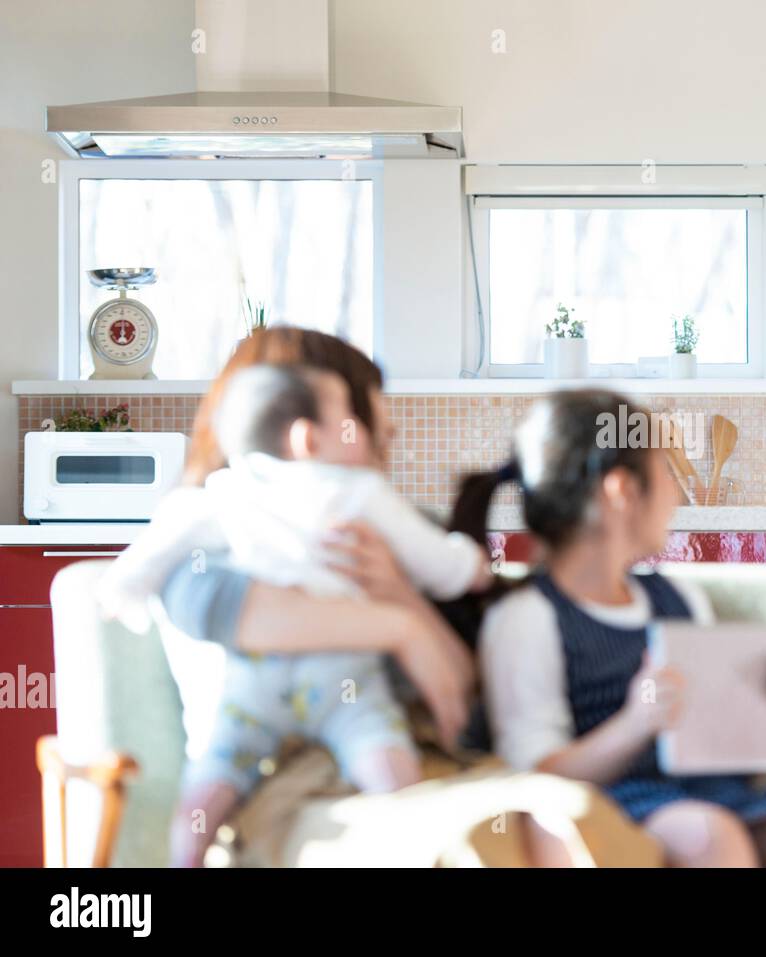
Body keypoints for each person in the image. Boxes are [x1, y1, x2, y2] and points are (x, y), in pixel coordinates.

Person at [460, 389, 766, 867]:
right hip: (620, 818)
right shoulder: (528, 617)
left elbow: (713, 752)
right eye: (664, 471)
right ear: (621, 491)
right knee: (710, 833)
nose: (675, 492)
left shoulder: (677, 599)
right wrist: (635, 724)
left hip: (717, 805)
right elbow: (535, 778)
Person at [99, 363, 491, 866]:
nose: (384, 434)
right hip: (343, 677)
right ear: (307, 437)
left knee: (207, 788)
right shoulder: (358, 493)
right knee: (391, 773)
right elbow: (443, 564)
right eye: (355, 416)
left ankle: (186, 854)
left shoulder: (224, 495)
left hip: (252, 685)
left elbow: (157, 545)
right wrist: (475, 569)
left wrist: (123, 592)